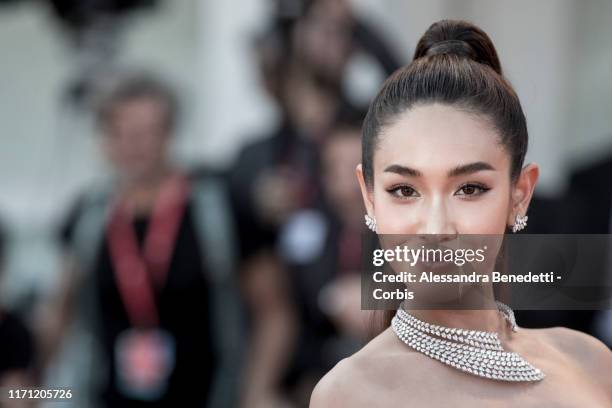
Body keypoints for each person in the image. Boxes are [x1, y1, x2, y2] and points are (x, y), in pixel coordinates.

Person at [310, 20, 612, 407]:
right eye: (404, 190)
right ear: (369, 198)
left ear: (520, 195)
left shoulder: (590, 361)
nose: (436, 228)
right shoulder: (350, 394)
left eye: (469, 189)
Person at [41, 73, 245, 407]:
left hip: (208, 395)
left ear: (170, 134)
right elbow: (60, 310)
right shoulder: (90, 213)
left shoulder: (216, 205)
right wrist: (35, 388)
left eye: (147, 132)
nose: (133, 145)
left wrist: (257, 390)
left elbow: (272, 309)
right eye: (120, 132)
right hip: (106, 396)